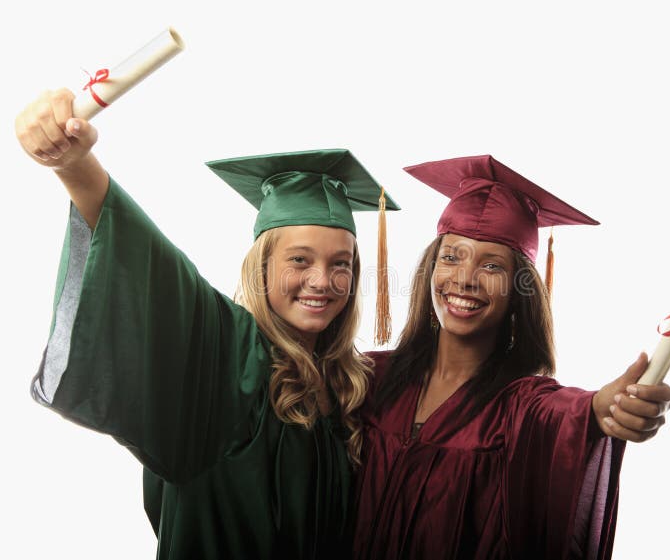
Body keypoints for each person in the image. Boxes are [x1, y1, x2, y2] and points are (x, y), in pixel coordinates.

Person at [15, 88, 399, 560]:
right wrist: (75, 166)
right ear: (262, 266)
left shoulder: (350, 384)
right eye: (300, 259)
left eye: (341, 263)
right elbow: (155, 270)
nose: (322, 280)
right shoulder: (230, 353)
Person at [350, 155, 670, 560]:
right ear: (431, 269)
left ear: (520, 290)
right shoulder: (371, 378)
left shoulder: (520, 405)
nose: (465, 278)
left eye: (491, 265)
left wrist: (602, 408)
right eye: (451, 256)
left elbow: (564, 413)